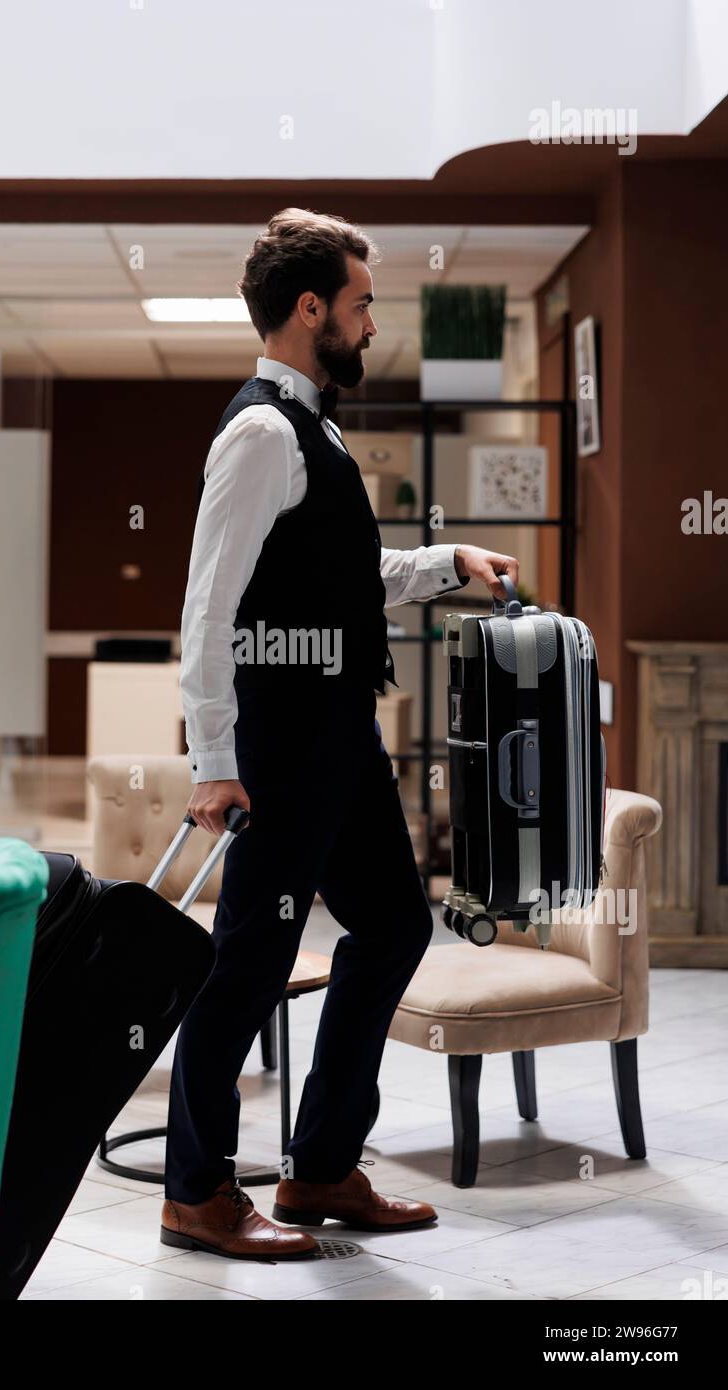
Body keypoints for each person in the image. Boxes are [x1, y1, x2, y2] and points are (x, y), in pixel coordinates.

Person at [161, 208, 519, 1260]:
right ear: (310, 309)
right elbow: (206, 610)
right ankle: (195, 1191)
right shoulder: (260, 433)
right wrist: (214, 762)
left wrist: (445, 560)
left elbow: (340, 584)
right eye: (361, 305)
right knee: (249, 965)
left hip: (339, 740)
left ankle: (317, 1165)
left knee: (394, 928)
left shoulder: (309, 429)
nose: (372, 324)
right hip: (276, 747)